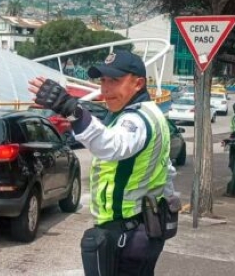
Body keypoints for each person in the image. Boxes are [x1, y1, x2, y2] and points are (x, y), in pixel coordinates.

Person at [28, 50, 174, 276]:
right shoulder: (148, 113)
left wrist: (71, 108)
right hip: (142, 228)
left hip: (129, 232)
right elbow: (167, 169)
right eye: (103, 80)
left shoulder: (136, 119)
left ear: (138, 84)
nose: (106, 89)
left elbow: (112, 145)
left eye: (115, 80)